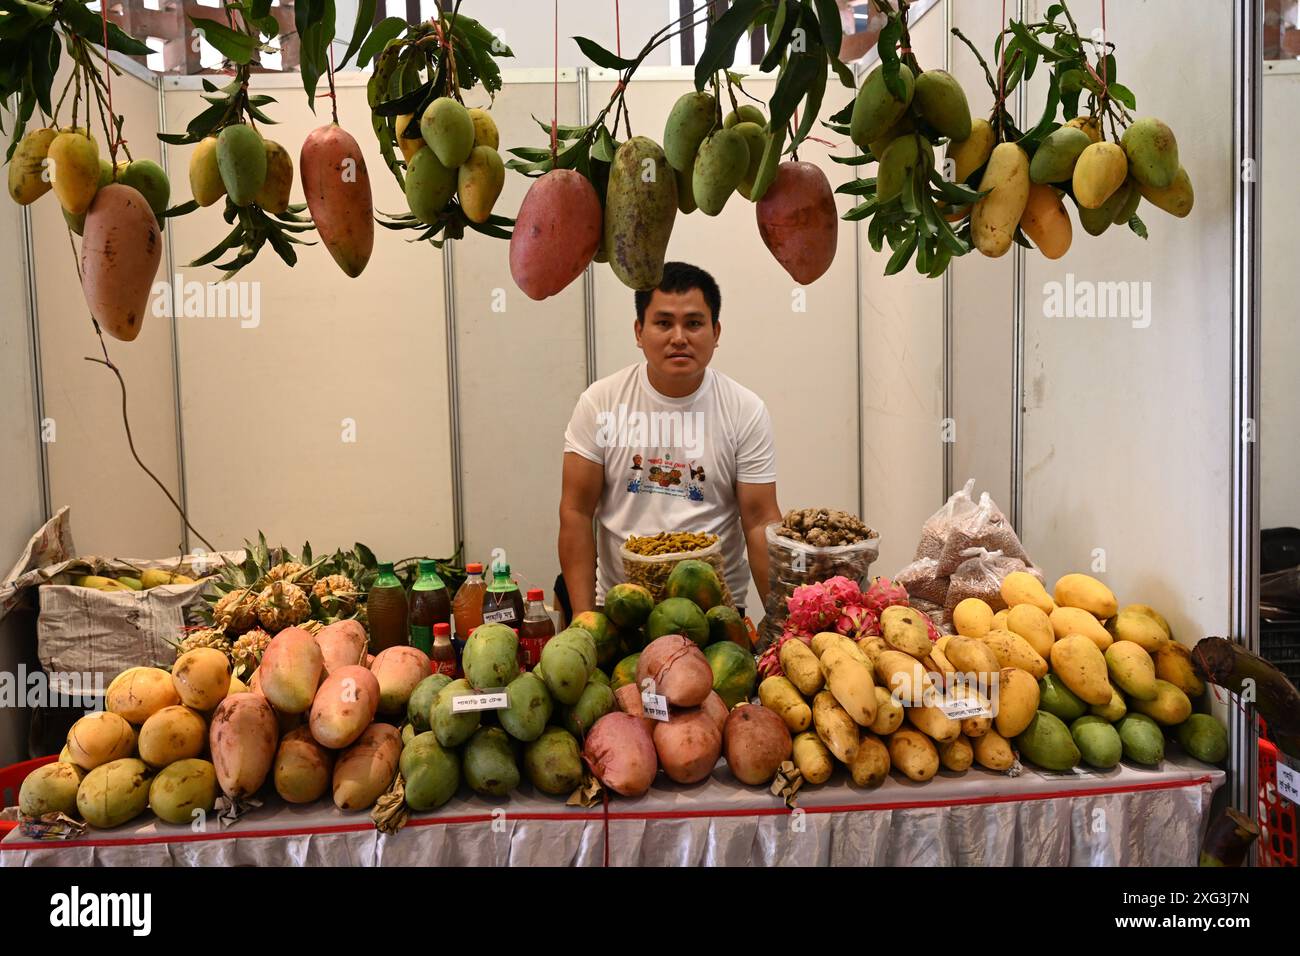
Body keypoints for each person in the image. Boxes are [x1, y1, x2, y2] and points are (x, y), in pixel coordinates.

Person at [559, 261, 782, 617]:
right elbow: (576, 512)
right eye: (663, 323)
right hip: (621, 609)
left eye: (693, 323)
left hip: (715, 613)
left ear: (716, 332)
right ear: (639, 331)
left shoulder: (744, 409)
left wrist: (783, 624)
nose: (679, 337)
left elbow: (759, 521)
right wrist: (584, 619)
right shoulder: (600, 402)